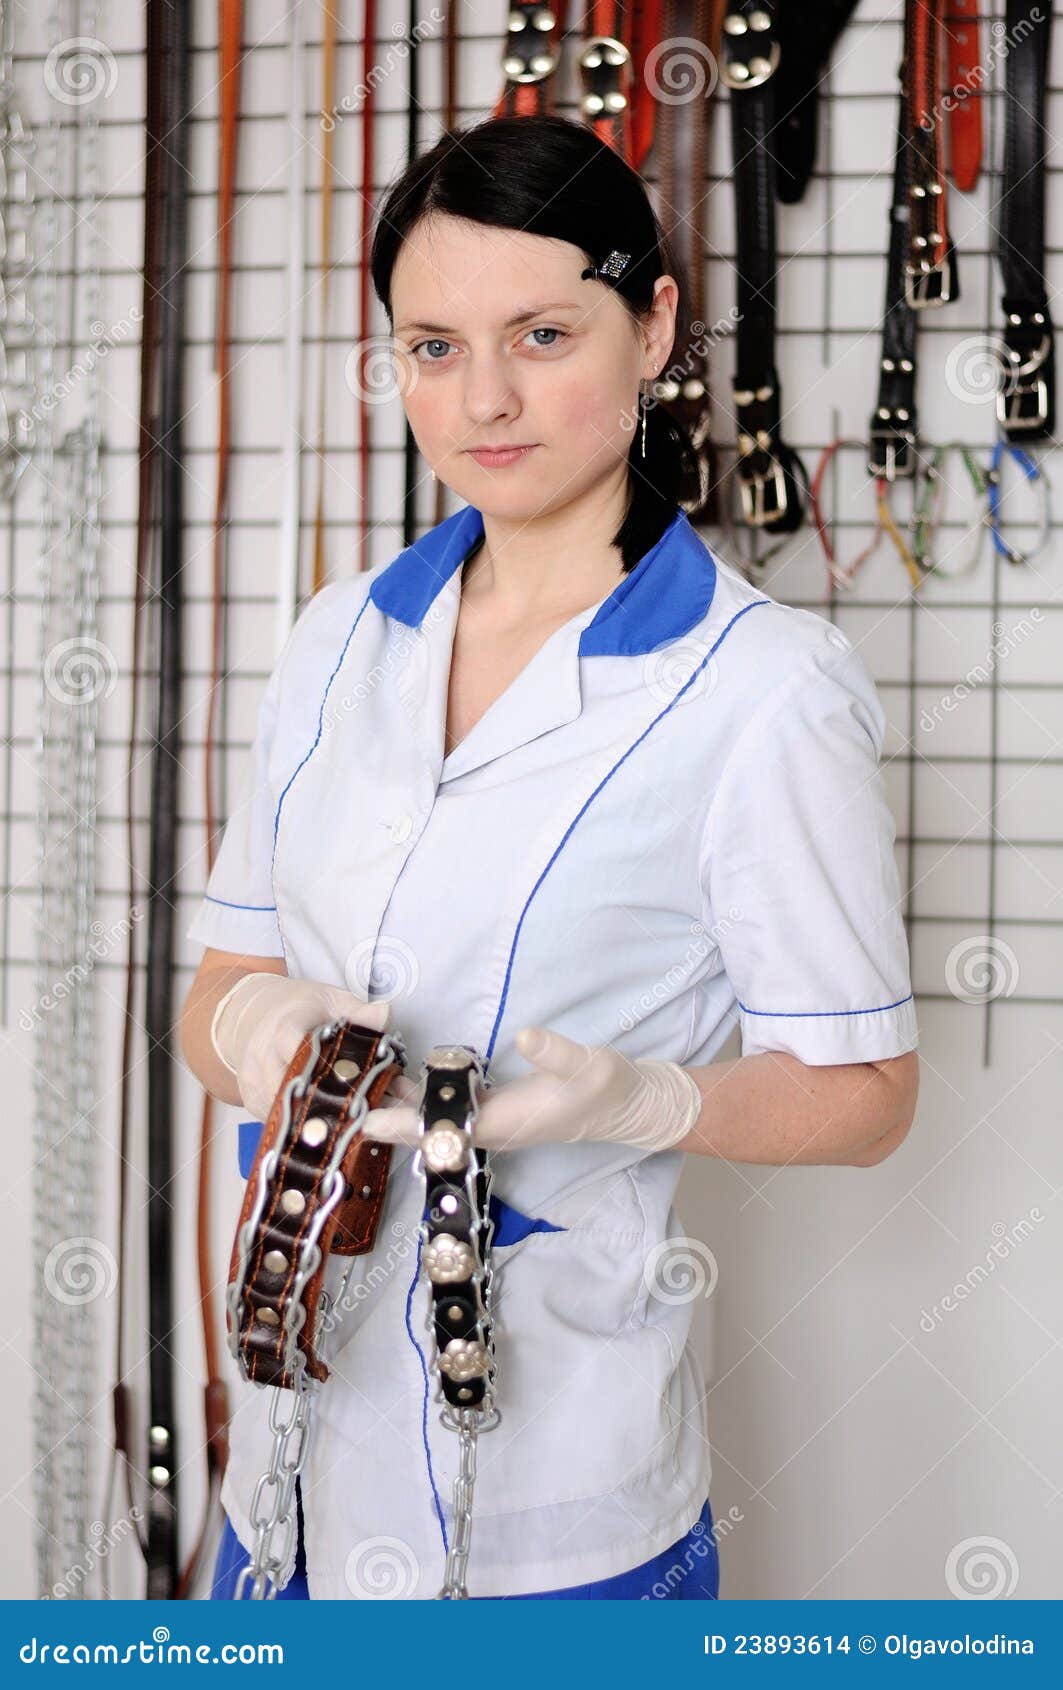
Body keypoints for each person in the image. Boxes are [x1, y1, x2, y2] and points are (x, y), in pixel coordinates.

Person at [180, 114, 919, 1602]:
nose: (486, 399)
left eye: (542, 334)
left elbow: (867, 1096)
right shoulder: (337, 639)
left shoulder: (768, 690)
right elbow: (218, 993)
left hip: (559, 1526)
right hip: (282, 1487)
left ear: (654, 326)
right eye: (433, 347)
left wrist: (654, 1097)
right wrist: (250, 1026)